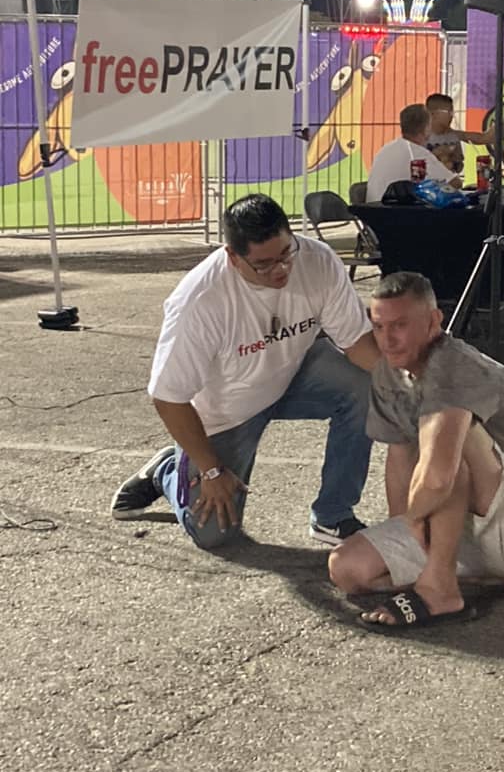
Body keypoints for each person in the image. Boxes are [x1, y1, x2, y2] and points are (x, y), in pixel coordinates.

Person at [110, 194, 380, 549]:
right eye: (263, 265)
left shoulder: (318, 260)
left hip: (294, 369)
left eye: (286, 254)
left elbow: (358, 343)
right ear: (233, 257)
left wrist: (410, 384)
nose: (281, 270)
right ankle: (167, 471)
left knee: (367, 385)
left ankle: (333, 515)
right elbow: (168, 397)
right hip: (227, 411)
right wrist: (211, 470)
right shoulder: (199, 301)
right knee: (214, 533)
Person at [328, 272, 504, 631]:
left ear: (433, 321)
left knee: (446, 442)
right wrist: (405, 529)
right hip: (465, 523)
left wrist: (416, 518)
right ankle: (492, 577)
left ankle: (439, 591)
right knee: (347, 569)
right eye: (379, 327)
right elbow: (399, 457)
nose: (388, 339)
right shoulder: (389, 372)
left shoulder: (455, 366)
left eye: (400, 325)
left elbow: (439, 475)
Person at [366, 103, 462, 203]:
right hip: (398, 211)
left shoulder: (385, 150)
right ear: (426, 128)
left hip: (372, 210)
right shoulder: (418, 154)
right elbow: (455, 183)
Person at [425, 92, 495, 175]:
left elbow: (483, 138)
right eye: (448, 112)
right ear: (433, 114)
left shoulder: (453, 136)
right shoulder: (420, 137)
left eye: (452, 112)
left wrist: (454, 161)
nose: (452, 116)